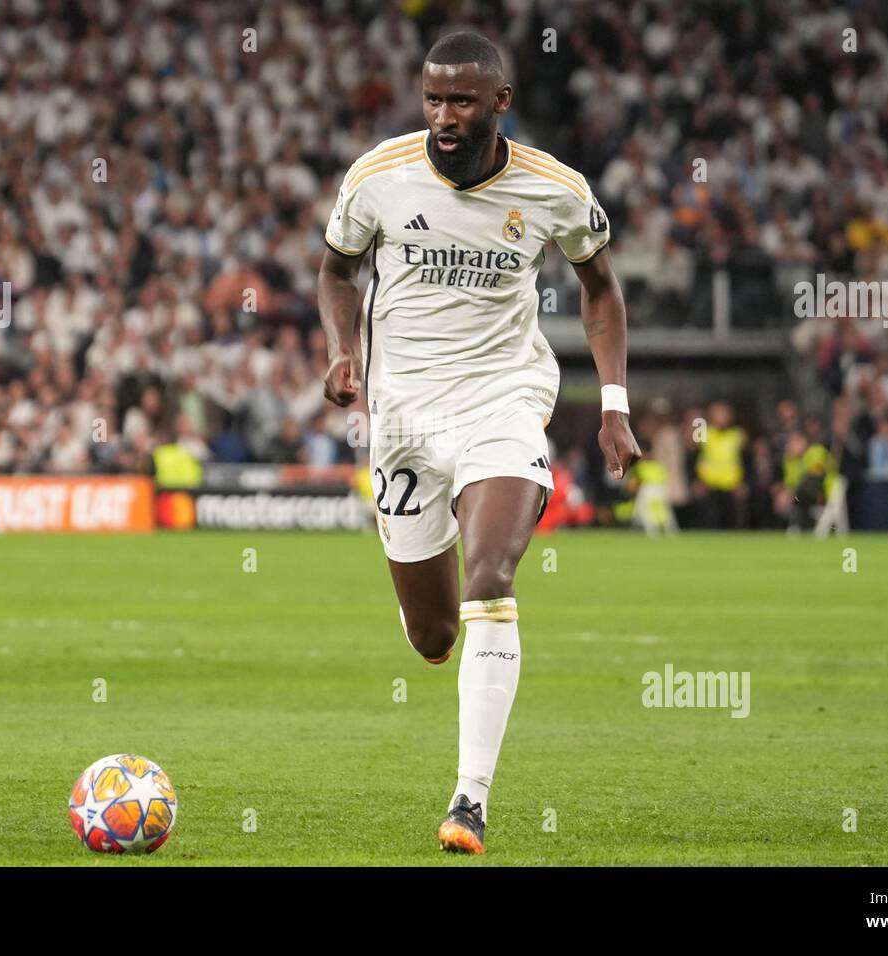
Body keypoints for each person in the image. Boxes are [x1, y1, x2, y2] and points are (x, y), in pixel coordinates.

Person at [317, 31, 639, 855]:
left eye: (463, 101)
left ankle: (470, 801)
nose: (444, 116)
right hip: (402, 420)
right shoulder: (379, 176)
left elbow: (599, 286)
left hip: (502, 399)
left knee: (491, 577)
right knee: (433, 639)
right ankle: (436, 574)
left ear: (500, 102)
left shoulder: (554, 189)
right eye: (433, 99)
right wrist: (344, 351)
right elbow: (337, 269)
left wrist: (613, 404)